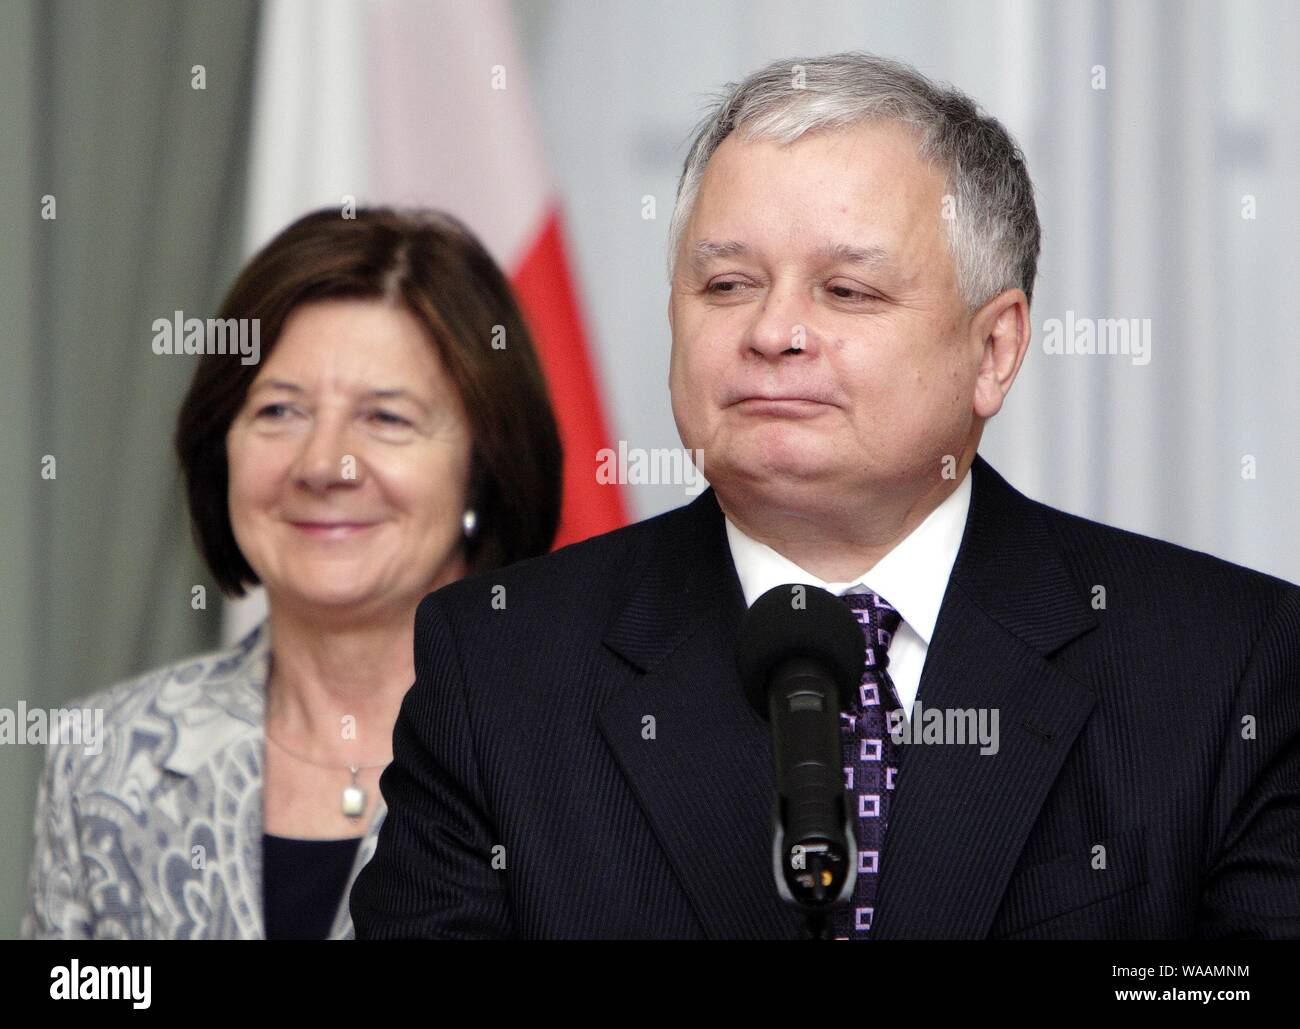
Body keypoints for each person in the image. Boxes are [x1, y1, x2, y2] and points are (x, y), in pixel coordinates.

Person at [349, 52, 1300, 940]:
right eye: (727, 283)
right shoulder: (500, 671)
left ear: (994, 349)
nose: (773, 331)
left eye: (846, 291)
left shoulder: (1227, 667)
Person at [23, 206, 562, 939]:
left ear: (483, 466)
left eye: (386, 418)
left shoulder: (581, 761)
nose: (322, 465)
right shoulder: (109, 758)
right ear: (223, 446)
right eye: (280, 410)